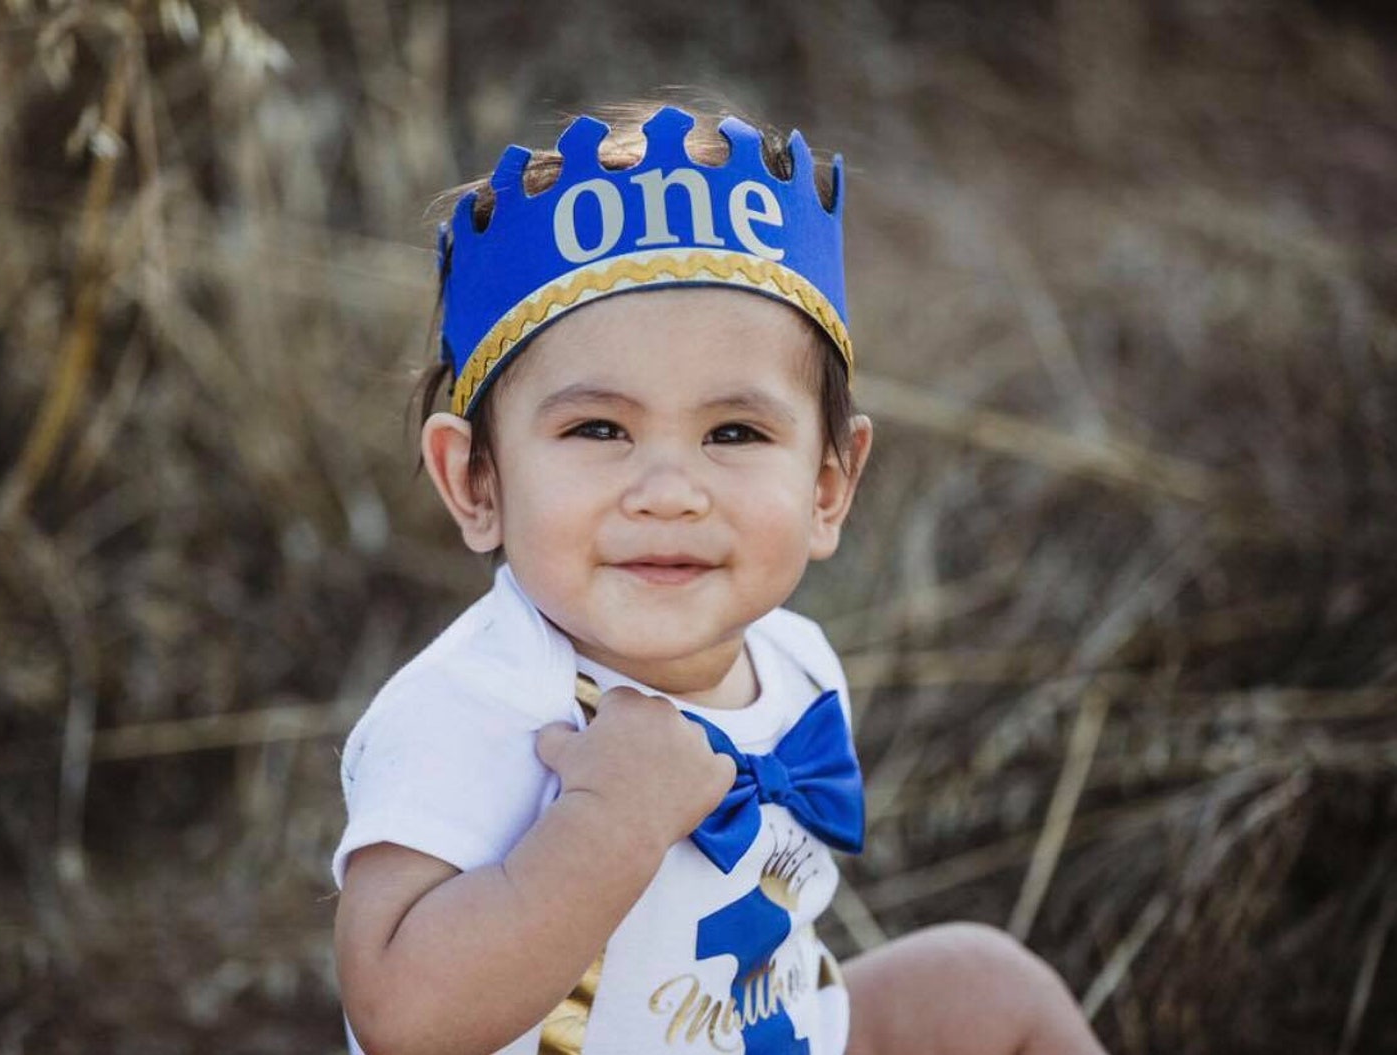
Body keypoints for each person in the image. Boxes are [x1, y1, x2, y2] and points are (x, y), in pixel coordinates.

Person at [331, 102, 1107, 1055]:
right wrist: (607, 820)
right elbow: (402, 1018)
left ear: (828, 484)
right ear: (476, 480)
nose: (668, 492)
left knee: (990, 987)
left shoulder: (798, 663)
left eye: (733, 433)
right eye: (598, 429)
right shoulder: (477, 703)